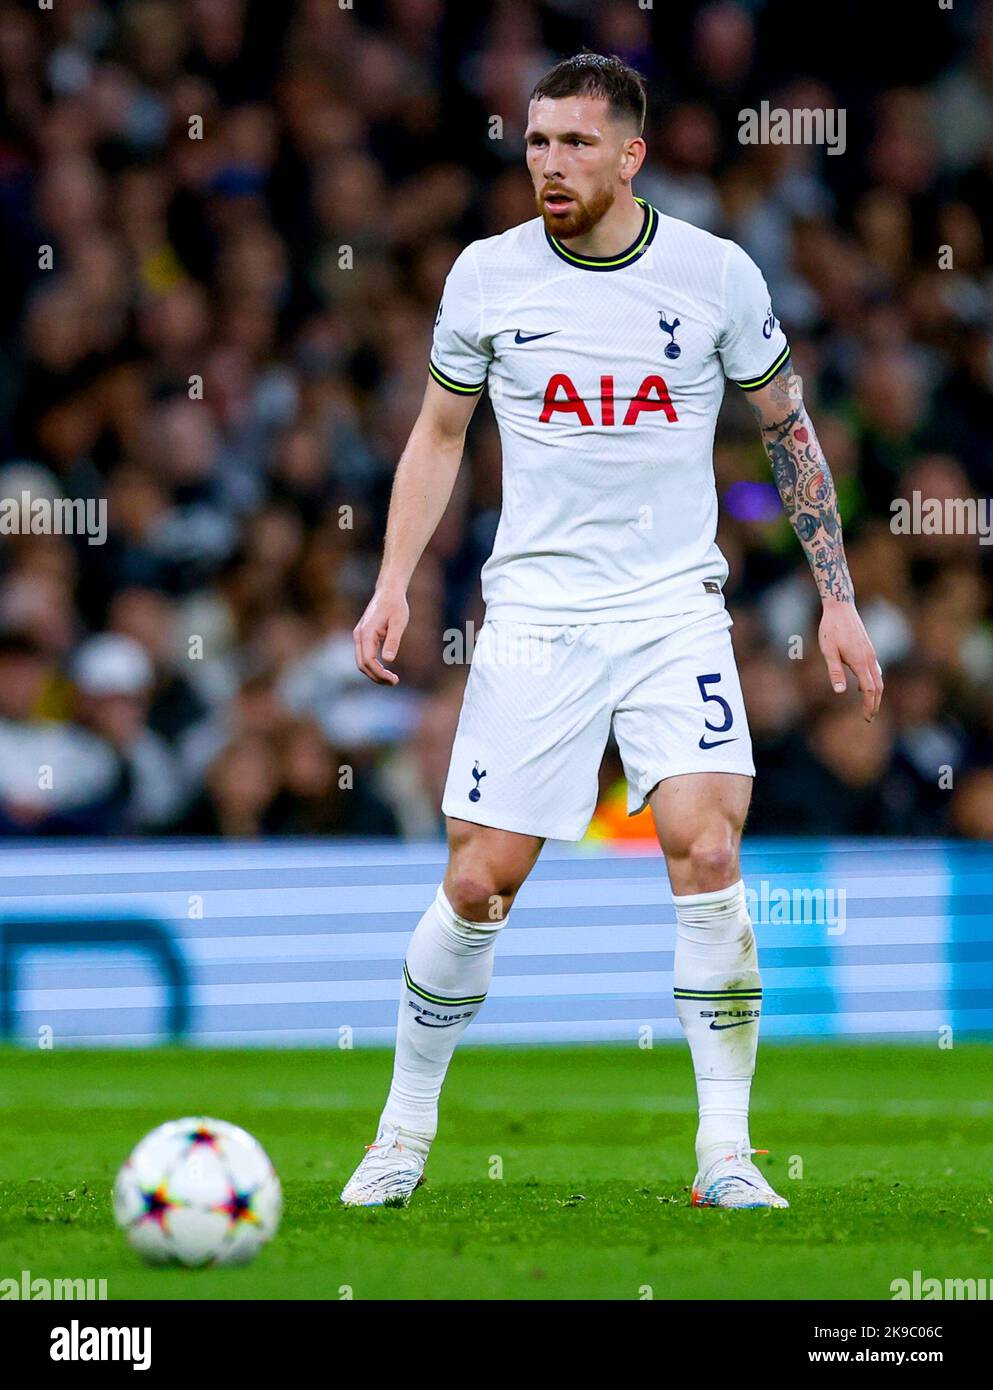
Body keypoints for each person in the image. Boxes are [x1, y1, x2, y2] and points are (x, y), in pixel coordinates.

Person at [344, 53, 883, 1210]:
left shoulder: (715, 274)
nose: (549, 164)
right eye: (537, 142)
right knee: (481, 879)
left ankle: (726, 1154)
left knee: (708, 847)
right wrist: (393, 582)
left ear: (631, 155)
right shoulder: (488, 278)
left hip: (671, 611)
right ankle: (400, 1133)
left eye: (576, 144)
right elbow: (439, 436)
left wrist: (836, 596)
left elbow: (787, 430)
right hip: (536, 616)